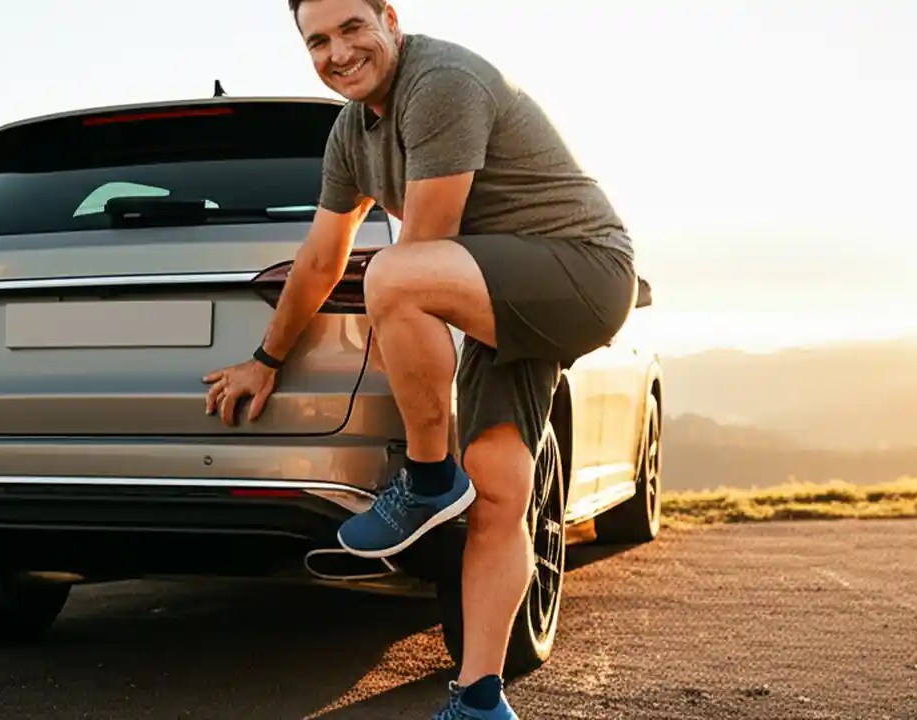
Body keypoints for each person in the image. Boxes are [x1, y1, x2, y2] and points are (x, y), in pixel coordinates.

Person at [202, 1, 638, 717]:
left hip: (580, 266)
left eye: (352, 29)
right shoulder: (351, 133)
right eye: (317, 41)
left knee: (395, 275)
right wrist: (266, 357)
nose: (337, 53)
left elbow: (424, 255)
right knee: (498, 491)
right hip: (496, 294)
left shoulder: (441, 83)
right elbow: (320, 255)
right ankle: (479, 698)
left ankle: (429, 481)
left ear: (391, 20)